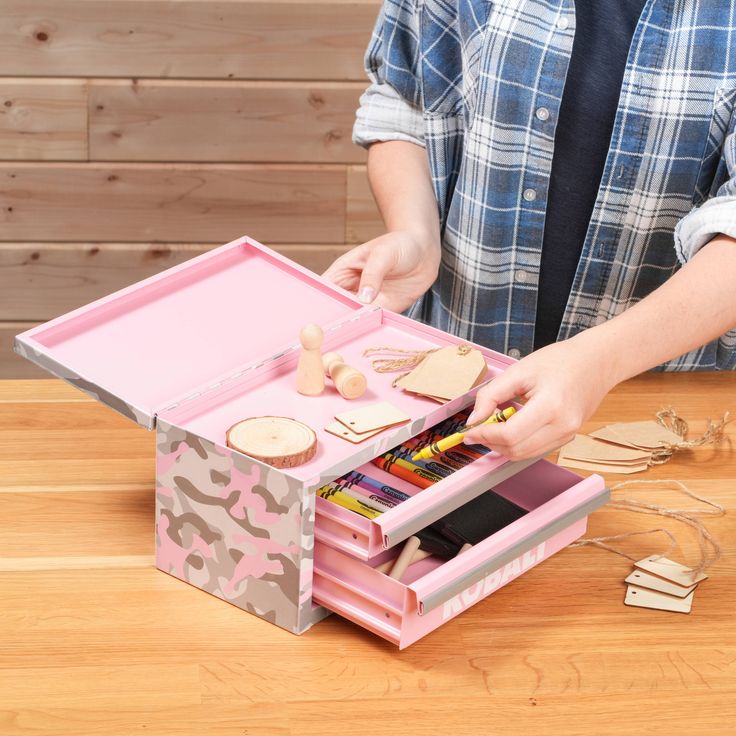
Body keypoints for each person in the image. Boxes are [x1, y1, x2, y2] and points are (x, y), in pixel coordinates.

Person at [323, 0, 736, 460]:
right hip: (456, 372)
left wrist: (599, 362)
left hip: (658, 415)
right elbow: (405, 98)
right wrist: (415, 234)